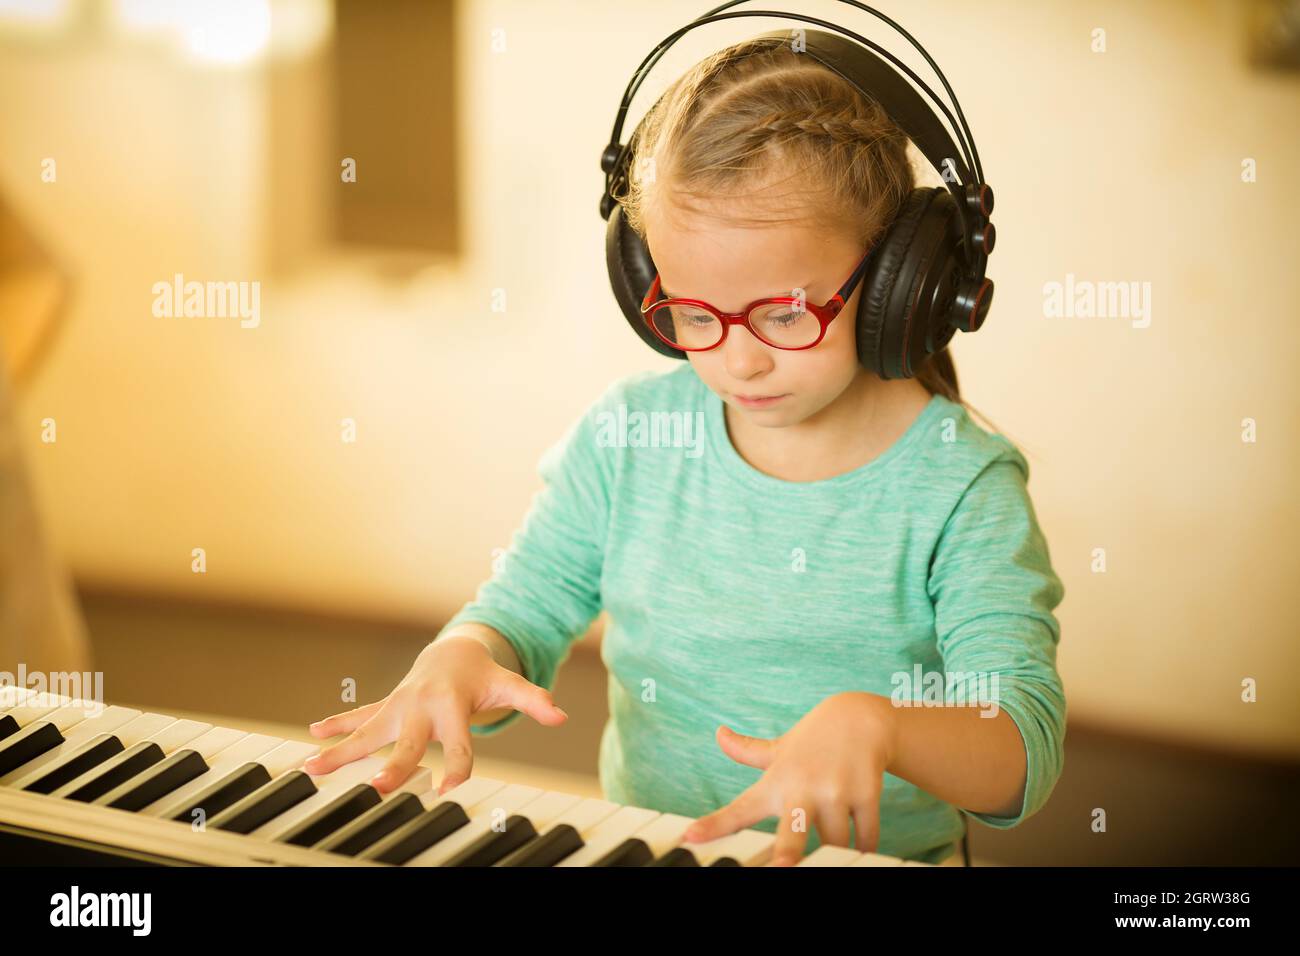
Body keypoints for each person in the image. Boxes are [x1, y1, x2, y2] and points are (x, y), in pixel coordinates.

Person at [306, 35, 1065, 866]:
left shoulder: (962, 486)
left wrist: (880, 726)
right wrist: (463, 656)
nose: (737, 360)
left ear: (901, 282)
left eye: (785, 314)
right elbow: (524, 611)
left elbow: (1019, 752)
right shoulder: (628, 437)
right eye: (695, 315)